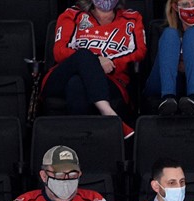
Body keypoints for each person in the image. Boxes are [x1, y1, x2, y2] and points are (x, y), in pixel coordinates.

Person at [42, 0, 145, 138]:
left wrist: (111, 64)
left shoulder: (132, 18)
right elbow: (60, 52)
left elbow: (139, 52)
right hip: (62, 78)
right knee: (84, 55)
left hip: (111, 79)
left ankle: (79, 142)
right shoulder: (72, 14)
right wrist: (96, 60)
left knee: (77, 83)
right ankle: (109, 114)